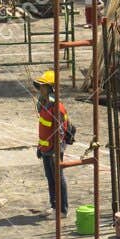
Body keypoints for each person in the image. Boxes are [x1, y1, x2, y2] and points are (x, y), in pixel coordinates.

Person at [35, 69, 75, 216]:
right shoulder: (46, 105)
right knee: (50, 179)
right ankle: (54, 207)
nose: (41, 89)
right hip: (46, 149)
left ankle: (62, 210)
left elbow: (60, 131)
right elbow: (44, 129)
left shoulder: (57, 107)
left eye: (43, 86)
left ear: (51, 88)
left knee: (58, 177)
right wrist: (40, 146)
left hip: (54, 150)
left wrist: (56, 151)